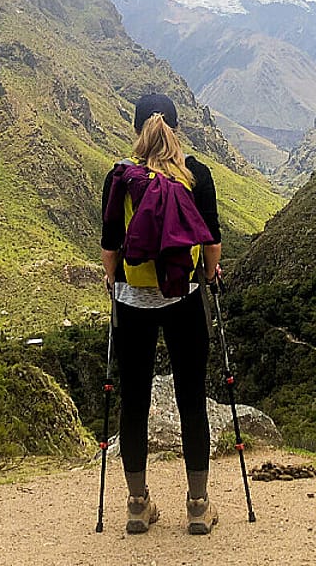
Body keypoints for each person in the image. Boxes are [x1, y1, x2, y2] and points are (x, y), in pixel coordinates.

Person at [100, 93, 222, 535]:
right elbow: (211, 242)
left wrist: (114, 281)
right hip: (184, 298)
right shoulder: (196, 174)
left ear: (137, 130)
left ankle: (137, 504)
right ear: (176, 128)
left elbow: (109, 246)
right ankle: (198, 505)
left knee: (134, 400)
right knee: (192, 399)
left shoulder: (120, 177)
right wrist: (210, 274)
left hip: (132, 302)